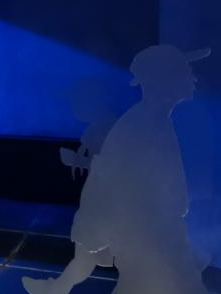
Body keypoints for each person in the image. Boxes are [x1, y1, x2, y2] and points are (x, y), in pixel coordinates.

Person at [23, 45, 210, 294]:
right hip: (153, 246)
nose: (193, 77)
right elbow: (115, 186)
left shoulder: (150, 123)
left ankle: (55, 289)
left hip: (157, 244)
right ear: (164, 79)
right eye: (184, 69)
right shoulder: (141, 127)